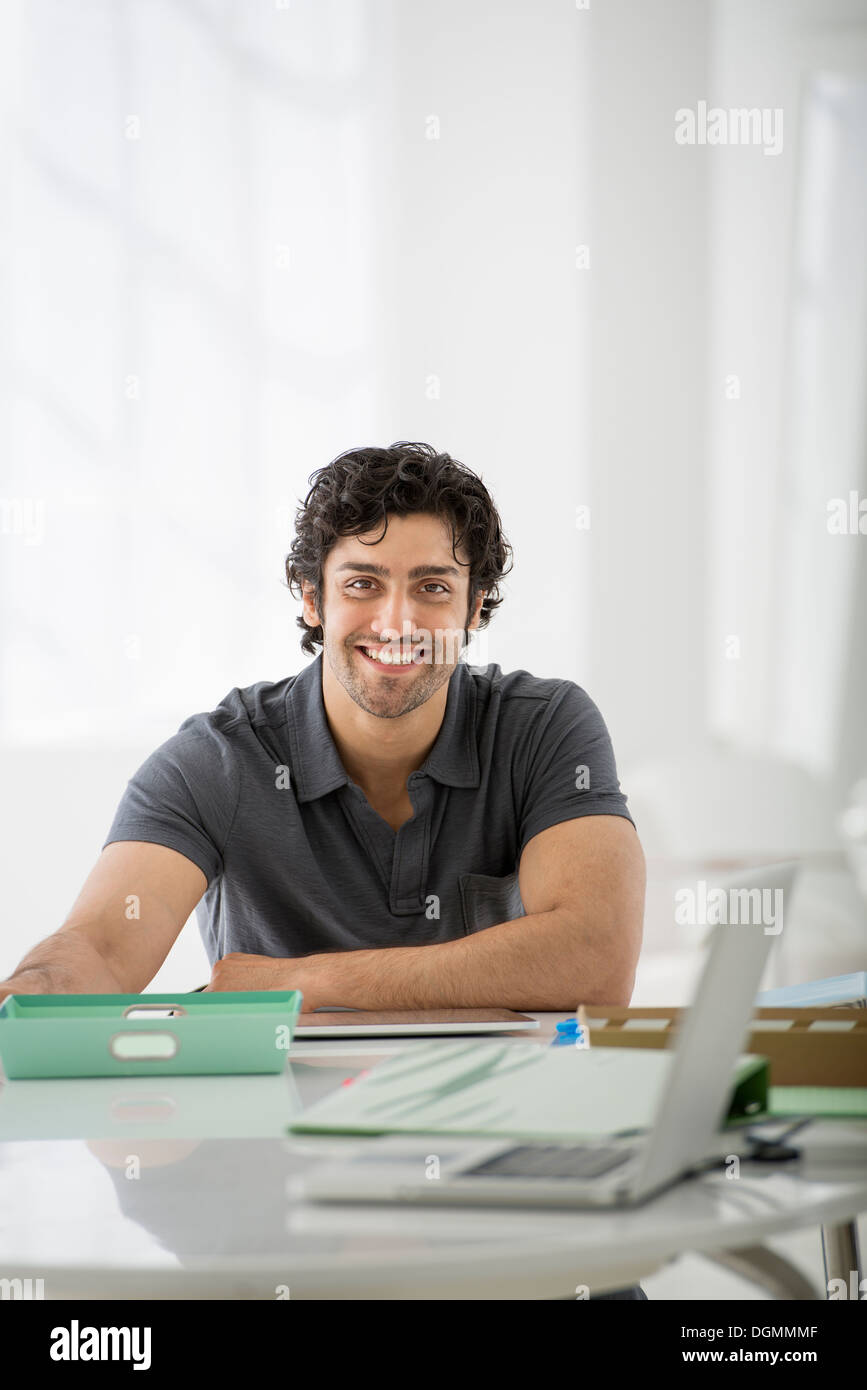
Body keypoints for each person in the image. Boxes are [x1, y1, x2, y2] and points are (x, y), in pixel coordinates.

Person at [0, 440, 647, 1296]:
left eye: (433, 587)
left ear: (477, 605)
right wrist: (34, 993)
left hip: (509, 1172)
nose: (399, 622)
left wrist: (296, 984)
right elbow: (99, 947)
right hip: (279, 1191)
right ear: (311, 596)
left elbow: (593, 964)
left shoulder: (544, 727)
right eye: (362, 584)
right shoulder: (219, 760)